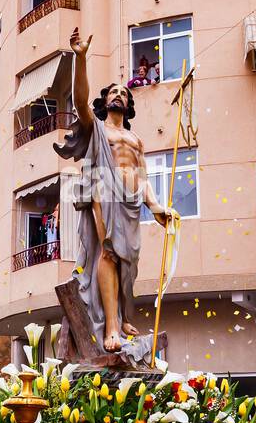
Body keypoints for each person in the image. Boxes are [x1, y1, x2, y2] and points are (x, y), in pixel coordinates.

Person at [54, 29, 178, 353]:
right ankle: (110, 325)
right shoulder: (97, 128)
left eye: (124, 92)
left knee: (128, 265)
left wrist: (157, 207)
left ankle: (121, 315)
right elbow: (80, 100)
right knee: (108, 250)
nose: (119, 95)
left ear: (129, 103)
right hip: (104, 192)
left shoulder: (137, 140)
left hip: (132, 203)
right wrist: (80, 58)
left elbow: (144, 176)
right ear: (105, 100)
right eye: (113, 92)